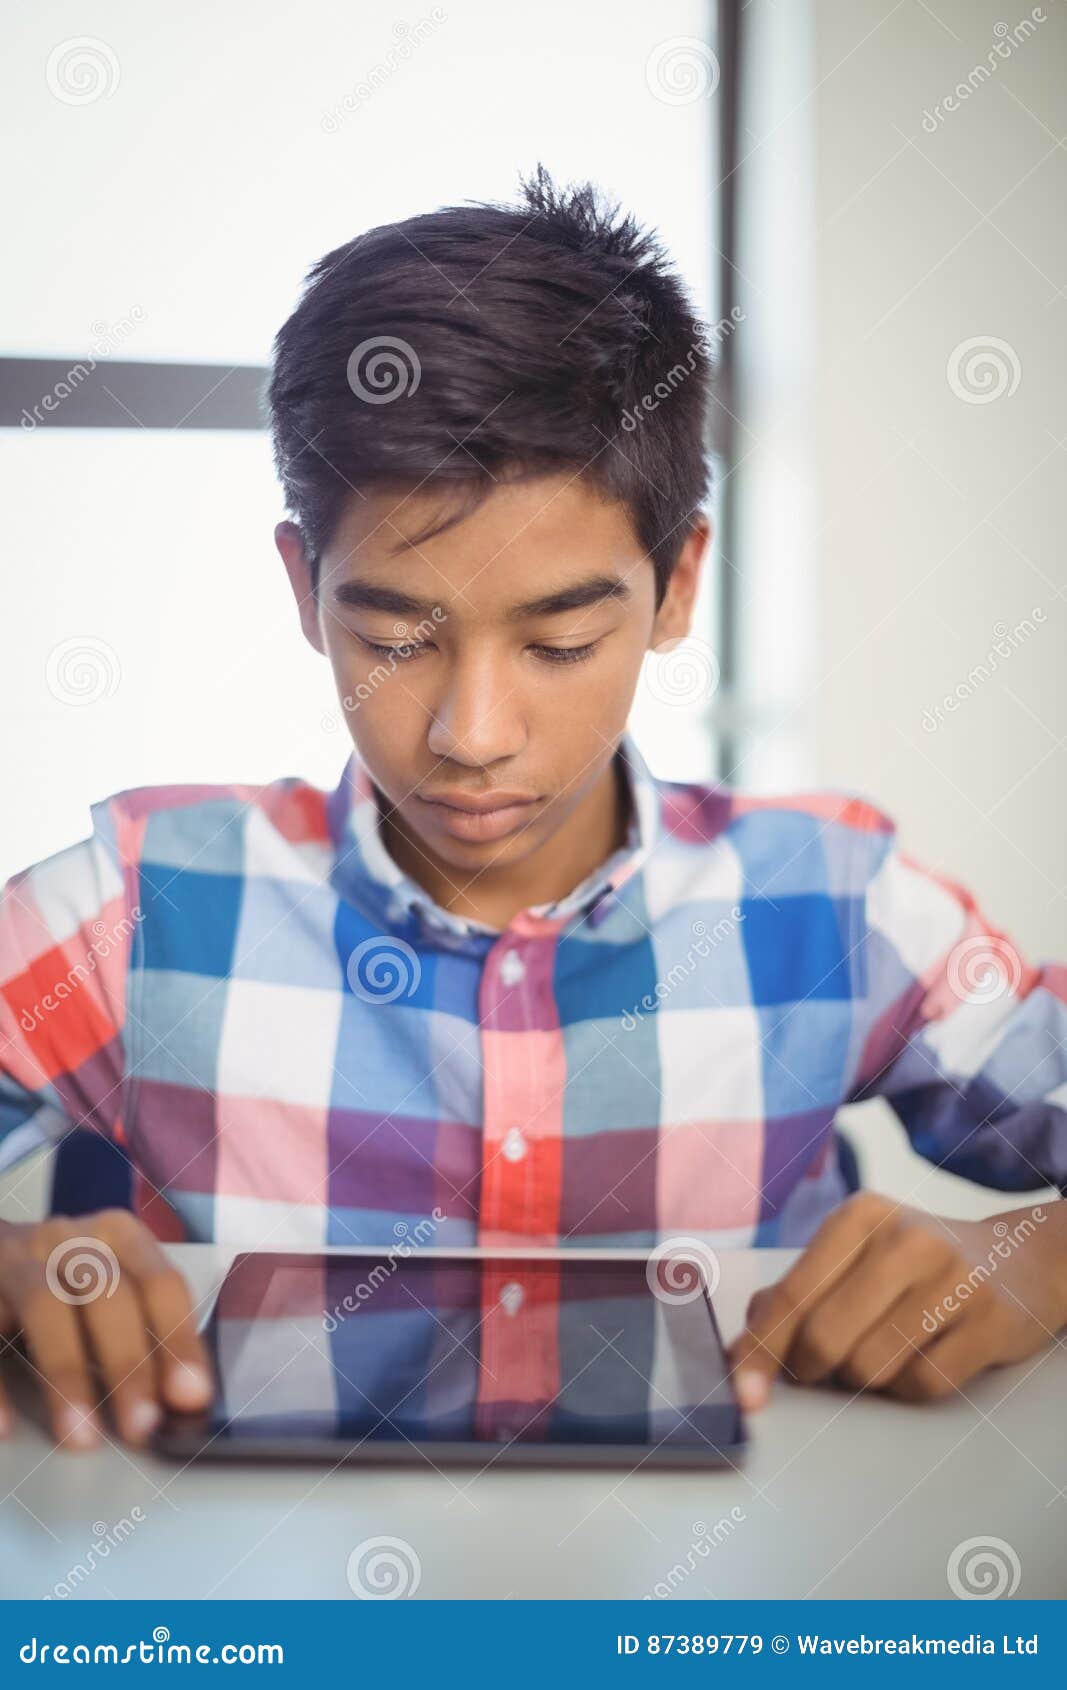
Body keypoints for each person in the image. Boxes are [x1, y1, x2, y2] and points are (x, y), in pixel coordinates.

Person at [1, 167, 1064, 1452]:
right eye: (395, 636)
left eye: (559, 642)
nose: (472, 735)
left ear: (677, 583)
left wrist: (1036, 1258)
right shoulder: (134, 906)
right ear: (303, 586)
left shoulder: (836, 902)